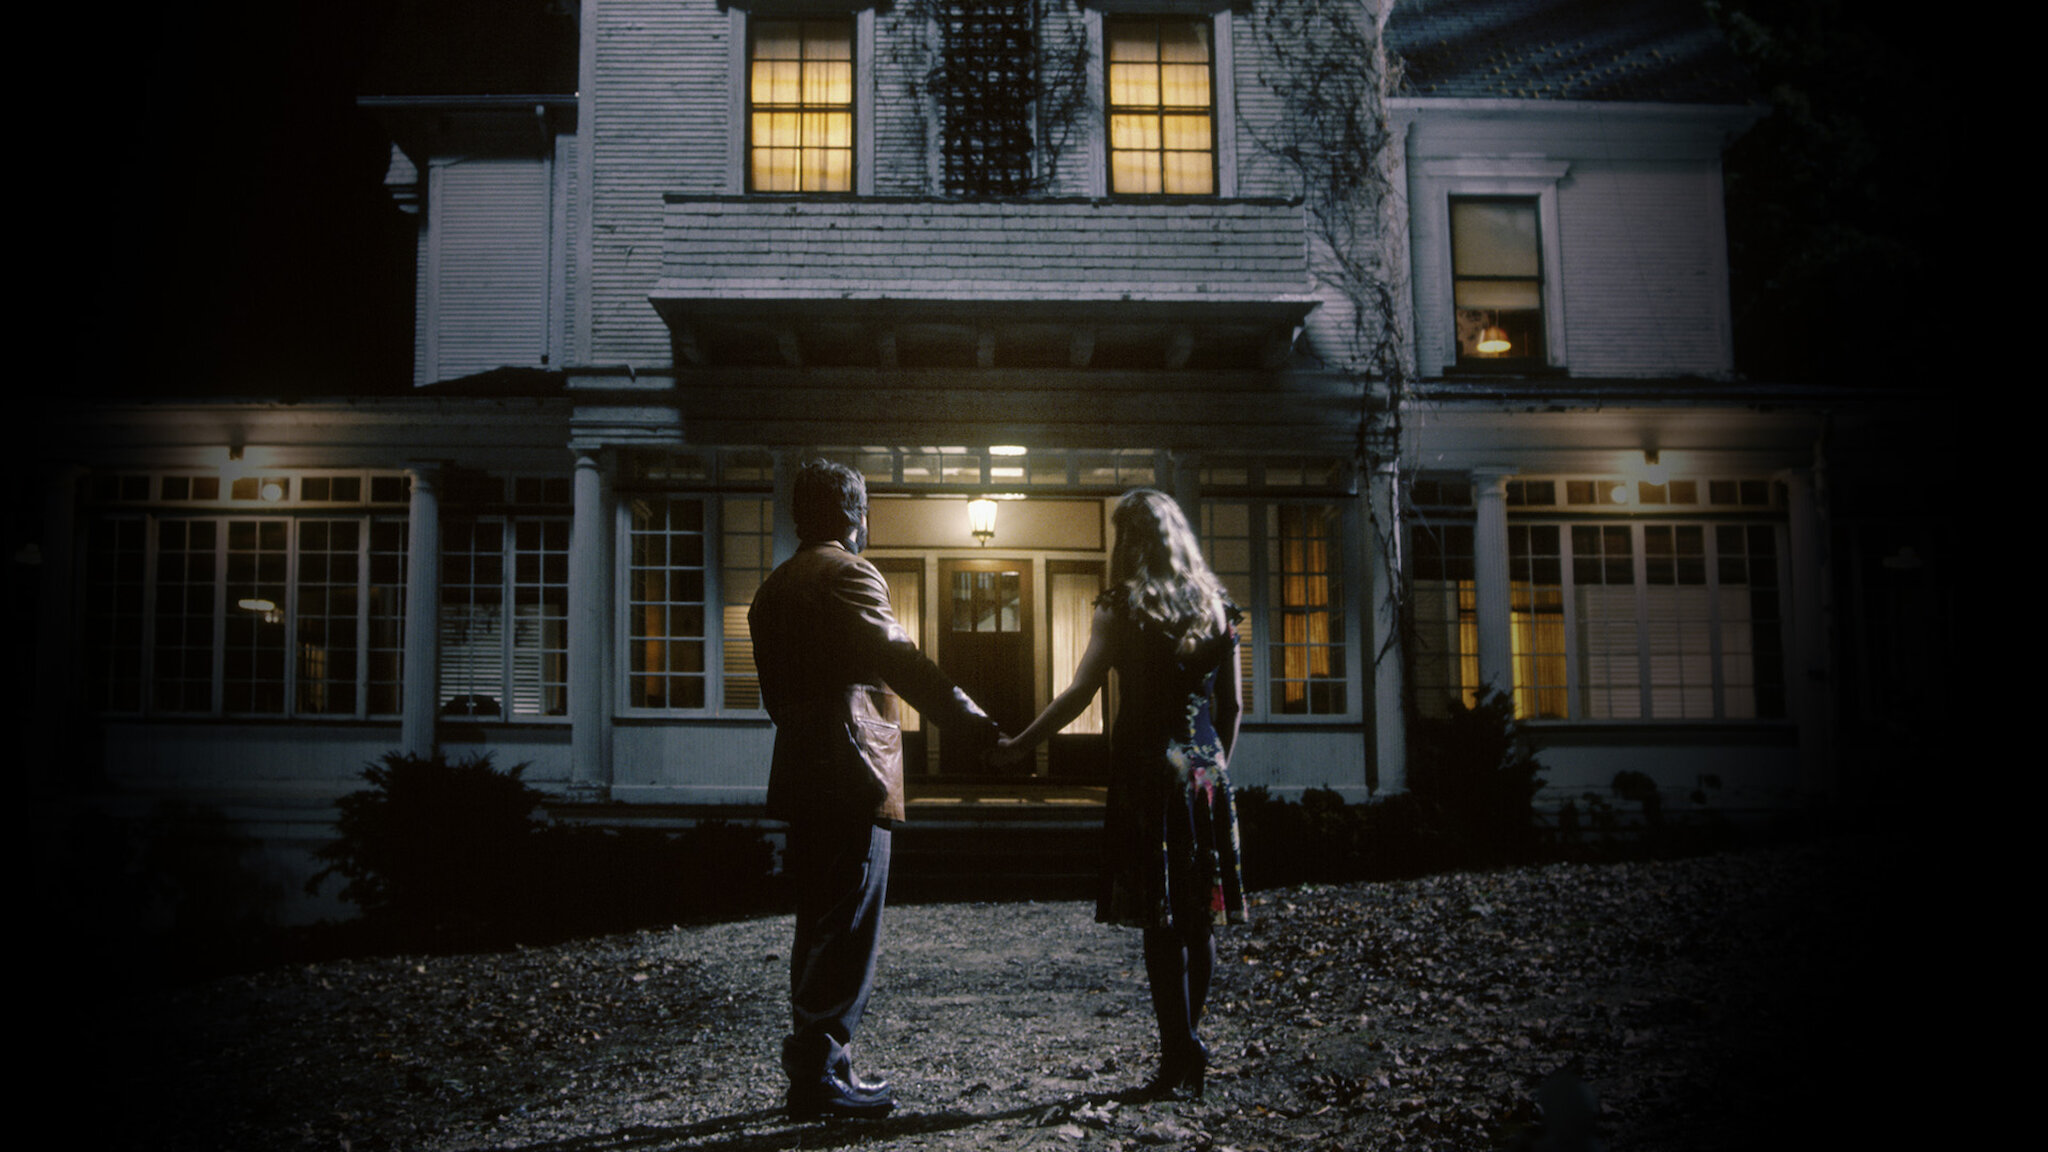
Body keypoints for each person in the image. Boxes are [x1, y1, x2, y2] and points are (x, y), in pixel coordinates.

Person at [749, 459, 1004, 1120]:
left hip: (801, 769)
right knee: (848, 921)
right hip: (853, 768)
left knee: (818, 919)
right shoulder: (850, 574)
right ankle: (821, 1071)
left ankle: (818, 1062)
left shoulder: (772, 590)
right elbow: (902, 661)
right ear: (853, 514)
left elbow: (776, 695)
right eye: (864, 513)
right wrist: (976, 727)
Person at [991, 488, 1248, 1099]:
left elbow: (1079, 693)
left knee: (1161, 922)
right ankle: (1188, 1046)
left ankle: (1178, 1053)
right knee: (1199, 919)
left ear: (1129, 541)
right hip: (1206, 772)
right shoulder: (1219, 608)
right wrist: (1212, 770)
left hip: (1147, 773)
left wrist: (1020, 746)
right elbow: (1233, 706)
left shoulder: (1122, 607)